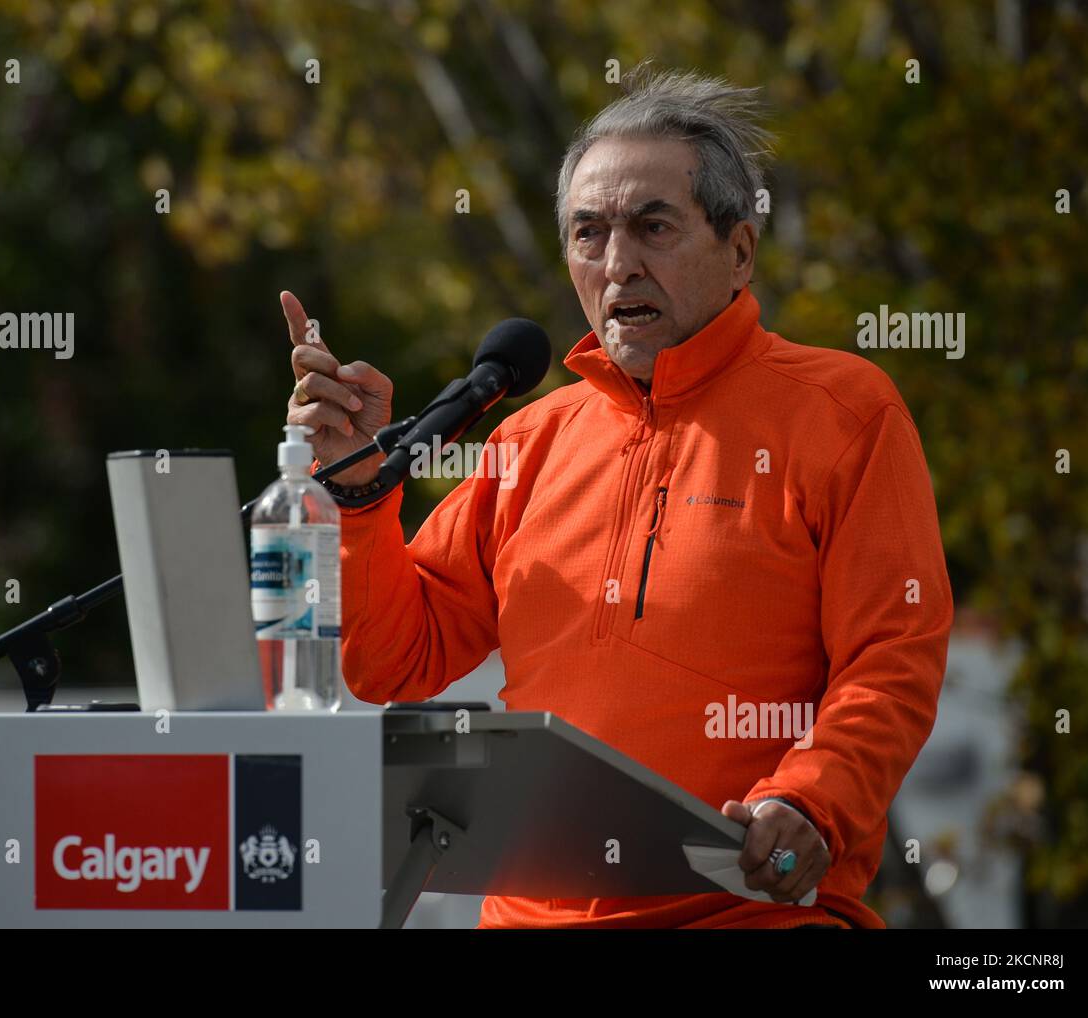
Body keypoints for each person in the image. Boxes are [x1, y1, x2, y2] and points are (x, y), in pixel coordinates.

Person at [280, 65, 952, 929]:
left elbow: (893, 657)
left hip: (749, 913)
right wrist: (362, 489)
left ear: (739, 250)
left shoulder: (846, 411)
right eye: (588, 233)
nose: (618, 263)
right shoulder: (527, 441)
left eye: (652, 227)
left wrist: (815, 801)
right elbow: (392, 662)